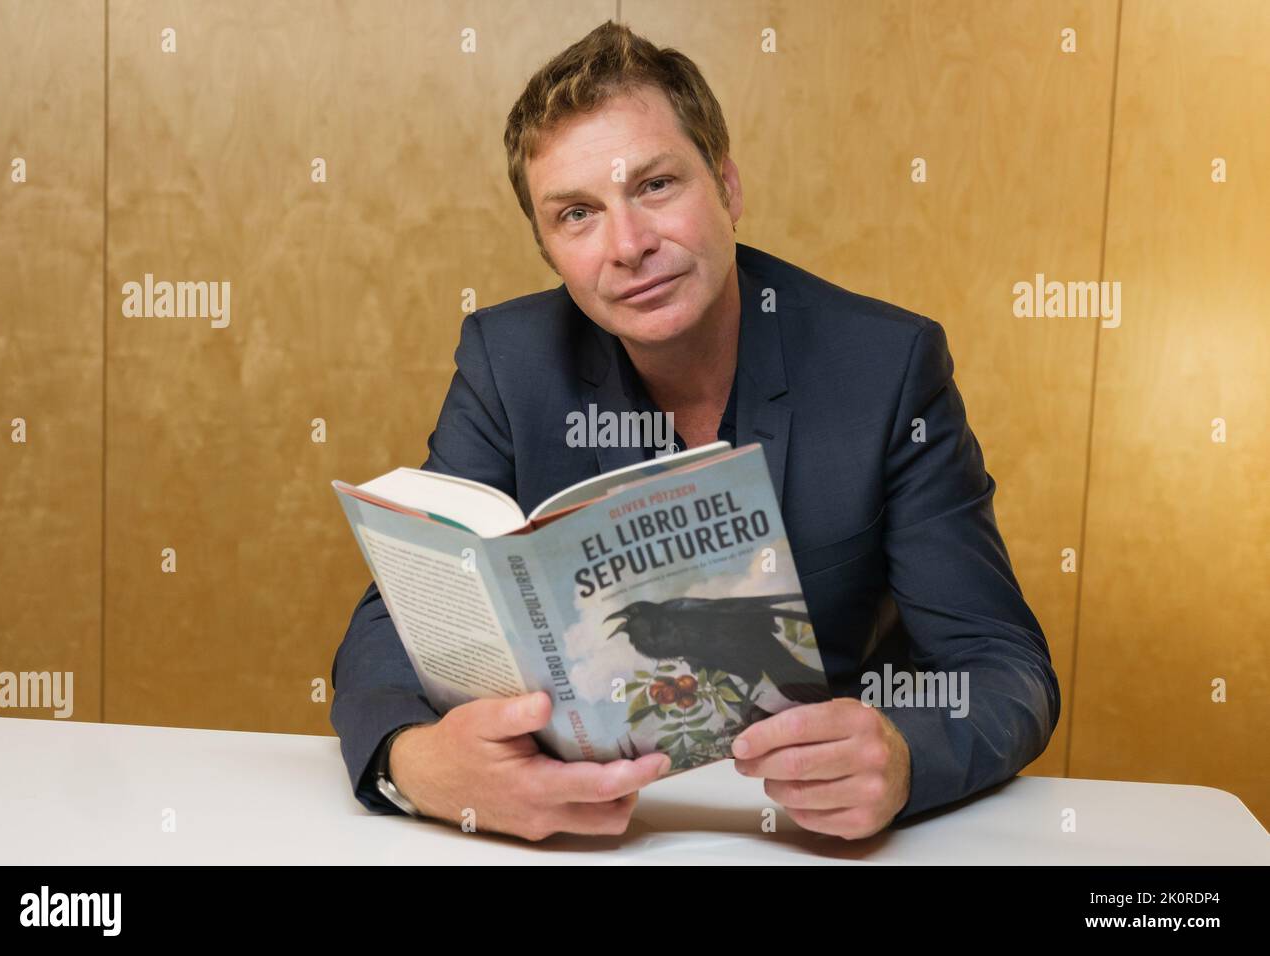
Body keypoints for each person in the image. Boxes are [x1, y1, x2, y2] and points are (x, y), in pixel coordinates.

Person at [330, 20, 1059, 843]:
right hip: (579, 835)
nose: (629, 245)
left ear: (727, 186)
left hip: (801, 836)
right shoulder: (509, 363)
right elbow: (392, 619)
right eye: (577, 214)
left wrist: (902, 755)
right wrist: (415, 764)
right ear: (548, 250)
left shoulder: (887, 368)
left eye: (655, 186)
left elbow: (1003, 665)